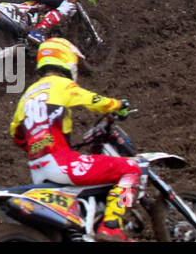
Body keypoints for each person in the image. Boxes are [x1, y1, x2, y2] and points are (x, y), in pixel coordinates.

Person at [9, 39, 138, 242]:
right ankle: (111, 228)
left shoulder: (27, 95)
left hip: (38, 170)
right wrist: (118, 104)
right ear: (66, 60)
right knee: (130, 168)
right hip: (62, 163)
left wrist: (40, 143)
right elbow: (94, 101)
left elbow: (16, 135)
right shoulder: (61, 84)